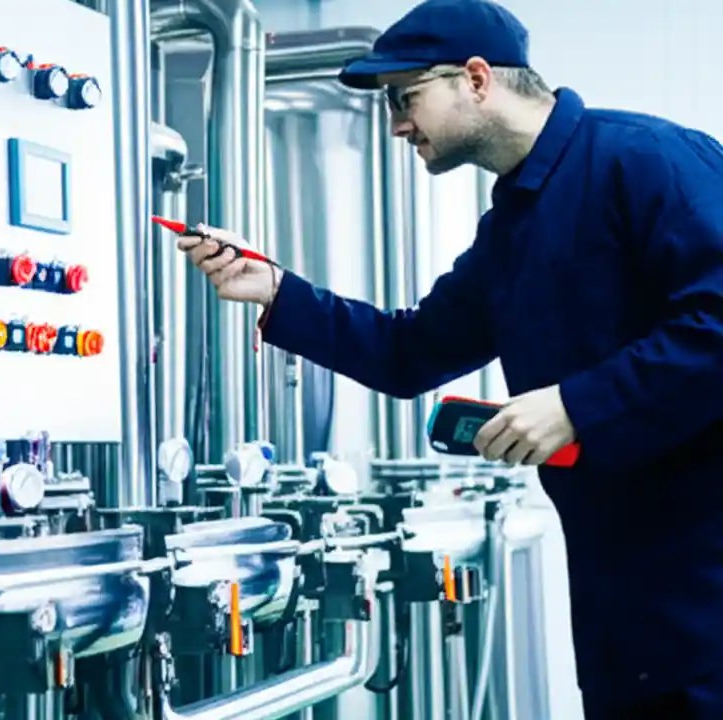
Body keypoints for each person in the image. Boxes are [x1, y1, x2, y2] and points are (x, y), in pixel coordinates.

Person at [177, 0, 723, 717]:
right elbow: (409, 353)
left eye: (406, 98)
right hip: (620, 597)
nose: (398, 124)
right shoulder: (512, 230)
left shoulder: (646, 160)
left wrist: (575, 406)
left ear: (475, 78)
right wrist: (276, 291)